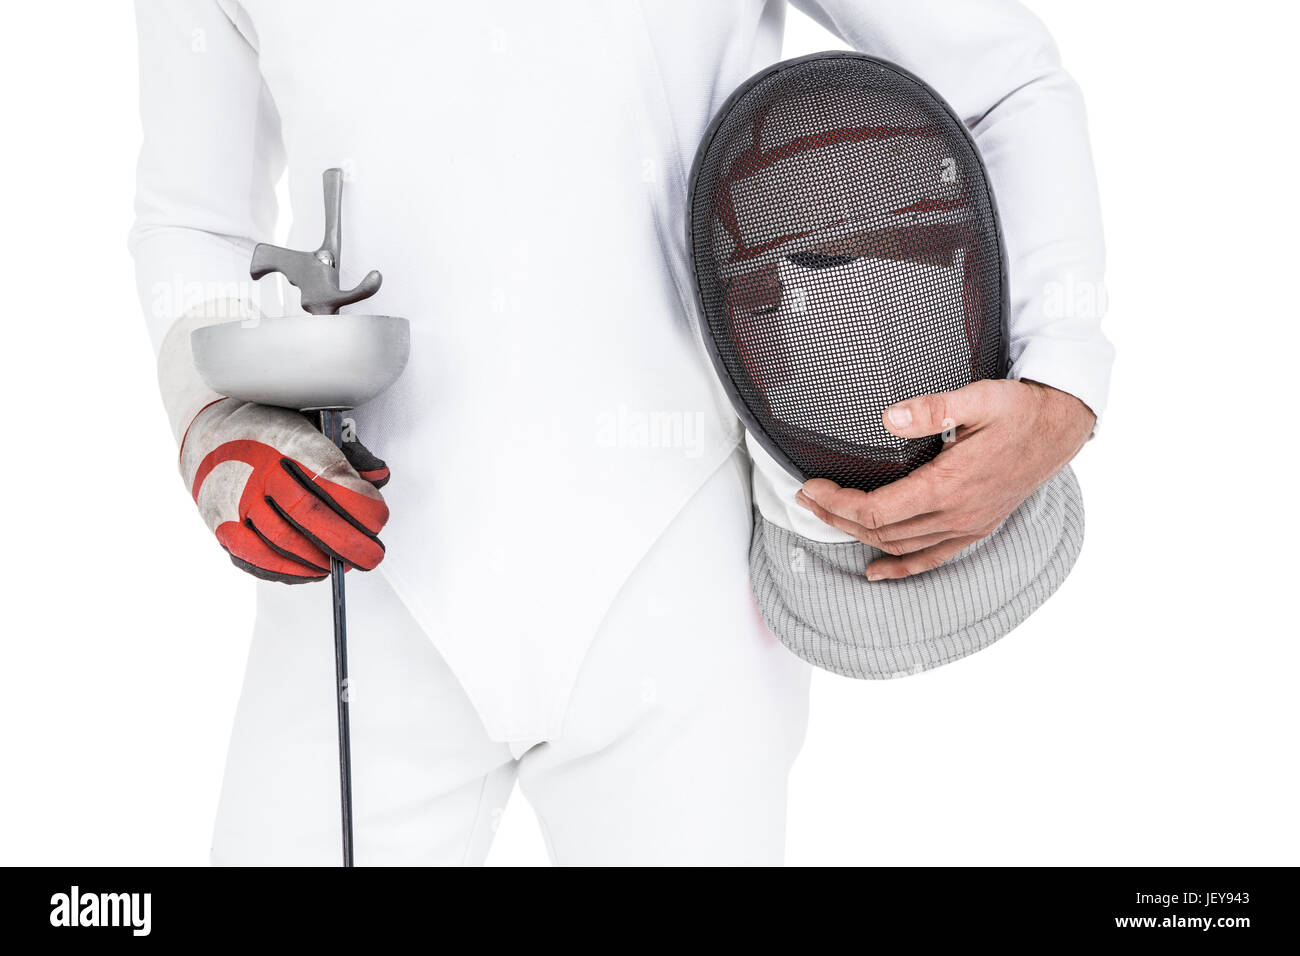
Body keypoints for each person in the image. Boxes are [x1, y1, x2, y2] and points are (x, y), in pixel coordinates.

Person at [131, 0, 1110, 866]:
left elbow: (1004, 76)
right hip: (352, 566)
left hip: (678, 589)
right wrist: (210, 418)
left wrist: (1060, 376)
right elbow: (193, 216)